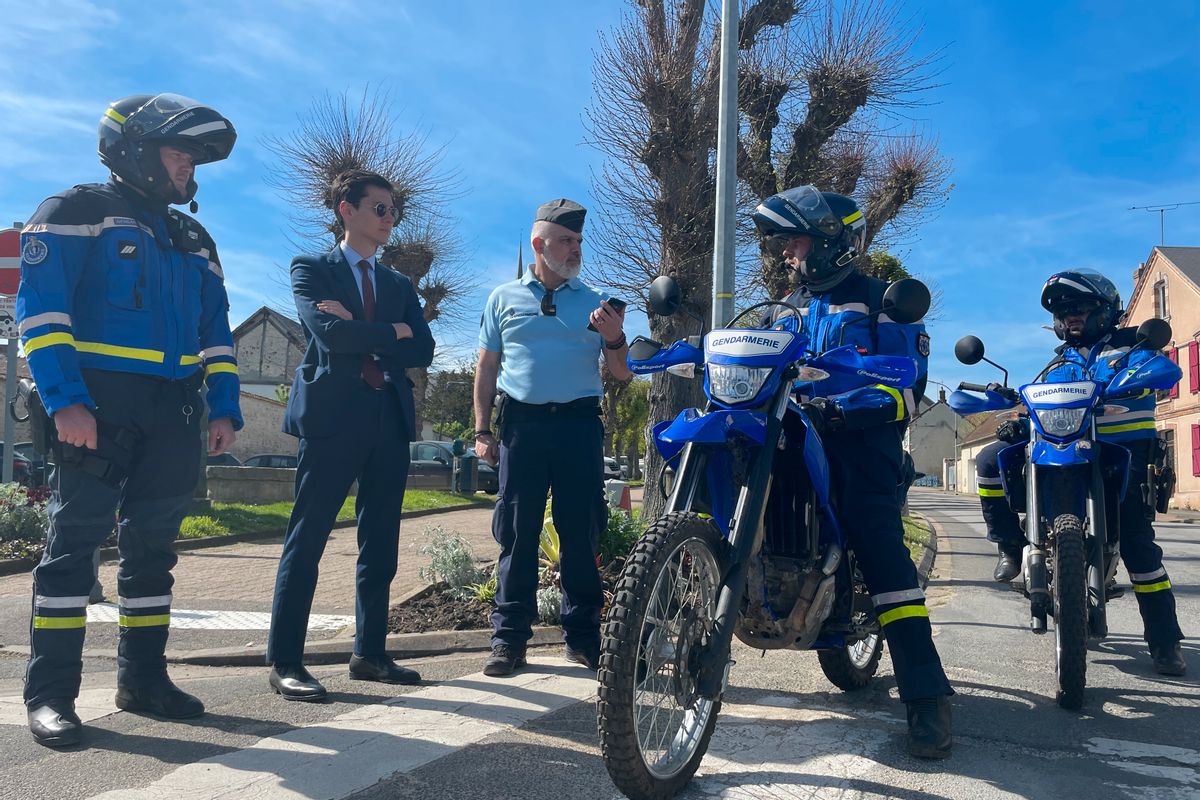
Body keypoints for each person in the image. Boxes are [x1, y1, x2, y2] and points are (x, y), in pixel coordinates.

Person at [18, 94, 242, 747]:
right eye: (179, 152)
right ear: (134, 149)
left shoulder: (194, 237)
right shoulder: (75, 212)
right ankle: (51, 696)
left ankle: (143, 681)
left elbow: (217, 335)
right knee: (72, 550)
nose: (188, 167)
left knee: (152, 554)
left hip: (174, 410)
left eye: (193, 158)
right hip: (96, 406)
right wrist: (65, 400)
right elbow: (41, 311)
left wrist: (224, 407)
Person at [752, 185, 953, 759]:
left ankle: (927, 696)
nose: (787, 252)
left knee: (882, 550)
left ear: (833, 241)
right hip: (789, 439)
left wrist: (849, 408)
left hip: (860, 444)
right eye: (785, 242)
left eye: (795, 240)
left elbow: (908, 387)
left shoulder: (882, 301)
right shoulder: (780, 309)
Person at [266, 169, 435, 700]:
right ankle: (286, 660)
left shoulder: (400, 285)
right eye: (380, 208)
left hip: (388, 418)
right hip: (332, 420)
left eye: (394, 211)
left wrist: (377, 335)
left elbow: (423, 349)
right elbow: (328, 335)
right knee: (308, 537)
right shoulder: (312, 269)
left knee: (381, 543)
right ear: (347, 210)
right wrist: (393, 333)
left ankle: (370, 653)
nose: (390, 219)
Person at [974, 269, 1186, 676]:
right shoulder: (1058, 365)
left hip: (1123, 454)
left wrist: (1135, 376)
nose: (1072, 317)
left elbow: (1166, 371)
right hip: (1069, 456)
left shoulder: (1131, 346)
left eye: (1082, 308)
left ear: (1106, 310)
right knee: (988, 460)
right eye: (1065, 311)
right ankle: (1011, 545)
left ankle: (1165, 640)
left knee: (1139, 549)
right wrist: (1020, 421)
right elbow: (1042, 407)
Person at [473, 198, 630, 677]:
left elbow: (621, 375)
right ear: (539, 245)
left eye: (579, 241)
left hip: (579, 427)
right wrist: (481, 430)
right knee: (516, 534)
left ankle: (583, 639)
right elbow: (486, 369)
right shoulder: (502, 298)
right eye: (566, 240)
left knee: (580, 532)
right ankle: (508, 642)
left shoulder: (596, 302)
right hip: (521, 427)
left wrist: (616, 337)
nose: (575, 249)